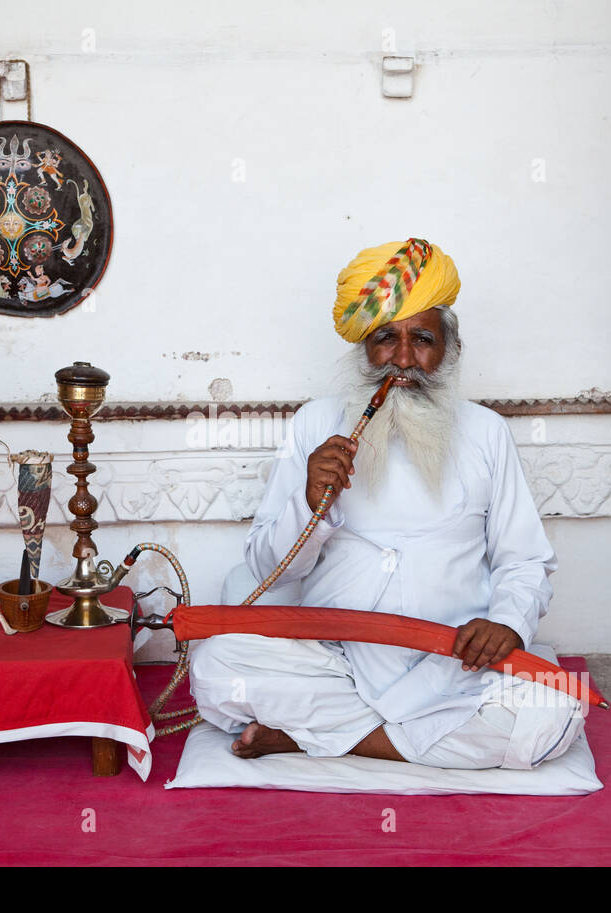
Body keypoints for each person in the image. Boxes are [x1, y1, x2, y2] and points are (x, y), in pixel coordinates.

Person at [188, 238, 584, 771]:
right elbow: (267, 570)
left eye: (422, 339)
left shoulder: (486, 432)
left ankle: (311, 737)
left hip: (452, 662)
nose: (402, 359)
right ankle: (394, 738)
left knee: (551, 714)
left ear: (450, 352)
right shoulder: (315, 423)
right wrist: (309, 503)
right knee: (217, 664)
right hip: (335, 659)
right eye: (384, 339)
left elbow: (525, 558)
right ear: (363, 349)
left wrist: (507, 625)